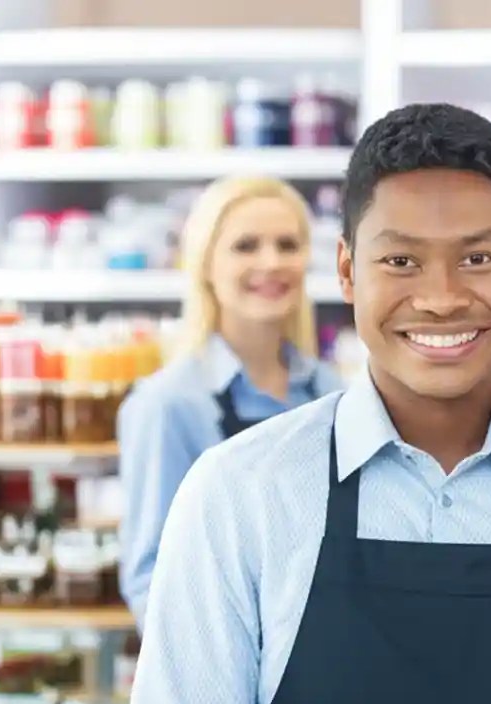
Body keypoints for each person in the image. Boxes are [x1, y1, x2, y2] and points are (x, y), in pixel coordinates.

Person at [127, 103, 491, 704]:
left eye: (477, 259)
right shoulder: (238, 495)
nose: (440, 299)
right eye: (401, 261)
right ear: (348, 270)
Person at [116, 175, 341, 629]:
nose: (271, 262)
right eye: (245, 246)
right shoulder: (168, 406)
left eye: (287, 244)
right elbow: (151, 582)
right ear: (204, 266)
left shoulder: (334, 396)